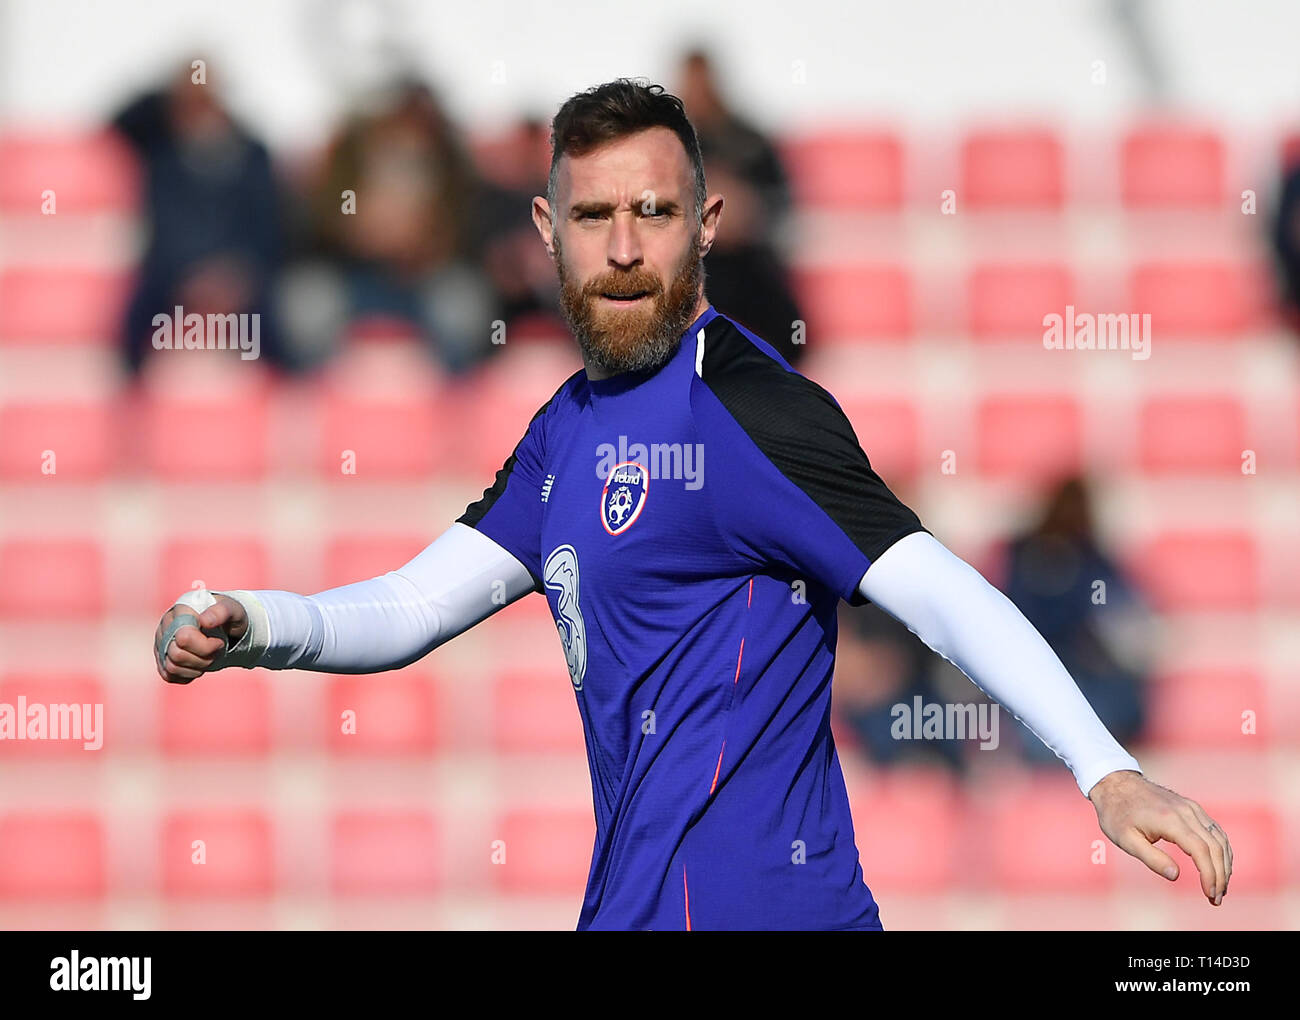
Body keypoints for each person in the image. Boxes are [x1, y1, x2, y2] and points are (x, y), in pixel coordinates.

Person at [154, 79, 1232, 930]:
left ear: (706, 222)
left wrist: (1106, 773)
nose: (623, 249)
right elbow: (409, 607)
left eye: (653, 212)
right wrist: (256, 621)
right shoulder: (562, 433)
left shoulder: (755, 414)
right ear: (545, 227)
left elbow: (939, 589)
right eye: (594, 216)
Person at [111, 61, 288, 376]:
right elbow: (116, 126)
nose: (199, 113)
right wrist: (191, 280)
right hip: (175, 278)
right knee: (130, 329)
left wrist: (234, 278)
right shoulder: (162, 158)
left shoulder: (253, 157)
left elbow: (269, 230)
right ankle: (130, 413)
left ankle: (284, 415)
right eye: (189, 103)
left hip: (241, 280)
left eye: (205, 100)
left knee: (282, 338)